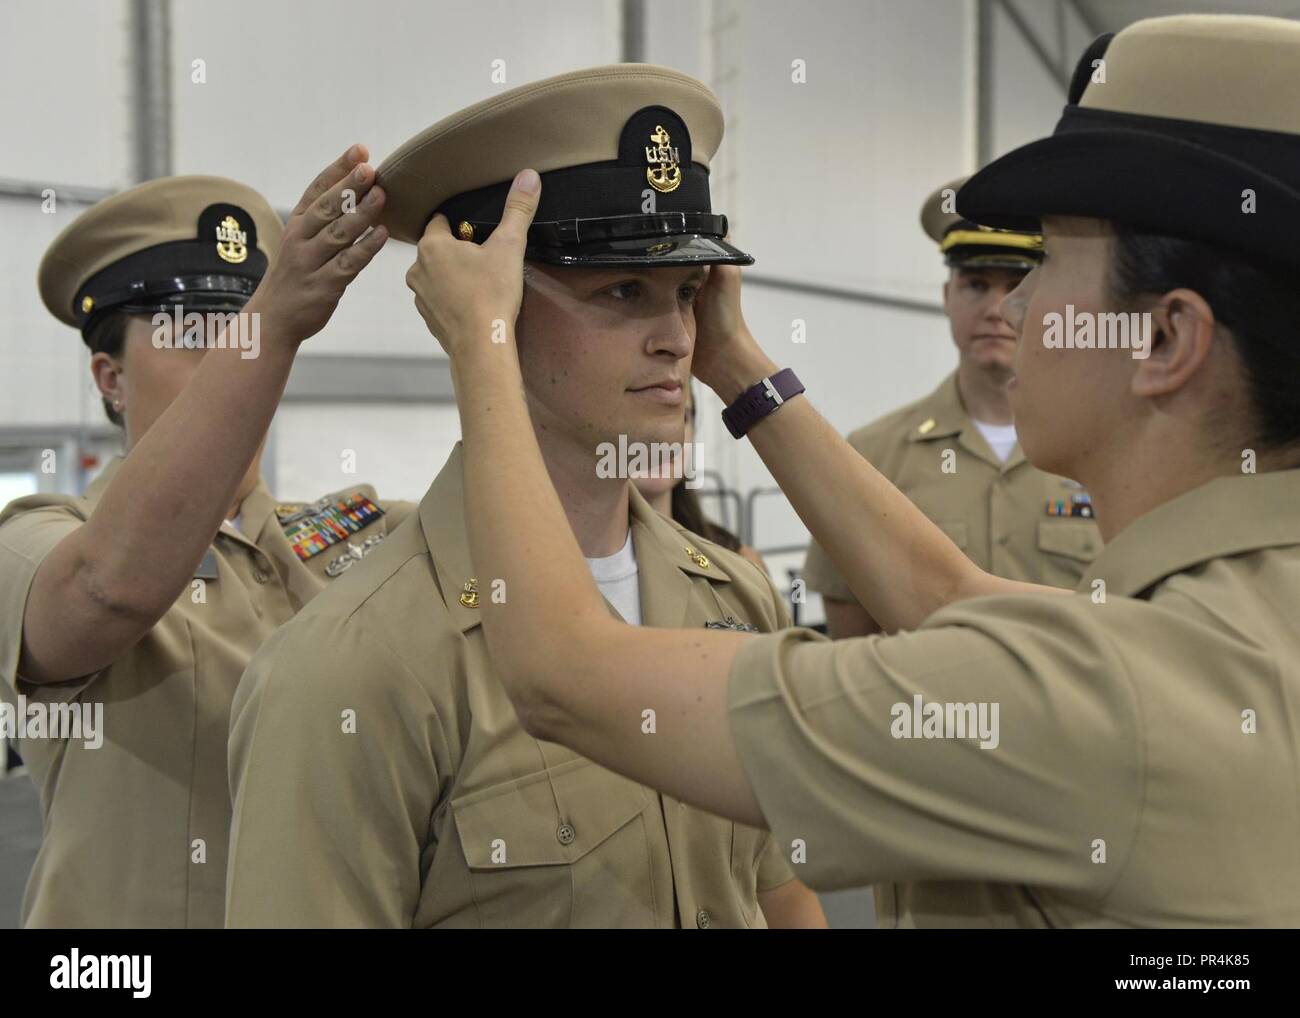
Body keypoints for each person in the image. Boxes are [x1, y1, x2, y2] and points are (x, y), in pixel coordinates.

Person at [408, 14, 1300, 927]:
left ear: (1161, 338)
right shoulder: (1238, 626)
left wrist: (481, 344)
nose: (1018, 306)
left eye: (1052, 262)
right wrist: (737, 367)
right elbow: (942, 588)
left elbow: (564, 674)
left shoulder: (1097, 699)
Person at [225, 65, 825, 929]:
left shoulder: (733, 597)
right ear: (494, 304)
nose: (678, 339)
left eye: (688, 294)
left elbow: (775, 893)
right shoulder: (352, 667)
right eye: (624, 291)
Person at [0, 150, 408, 927]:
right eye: (199, 334)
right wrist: (274, 317)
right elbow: (102, 593)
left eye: (246, 330)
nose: (236, 359)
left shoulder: (358, 538)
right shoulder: (39, 541)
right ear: (109, 378)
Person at [803, 179, 1101, 645]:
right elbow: (851, 638)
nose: (995, 308)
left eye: (1016, 283)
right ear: (946, 297)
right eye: (975, 285)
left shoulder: (1104, 452)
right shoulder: (870, 457)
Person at [634, 383, 768, 571]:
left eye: (680, 417)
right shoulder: (583, 564)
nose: (661, 439)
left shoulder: (739, 561)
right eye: (640, 416)